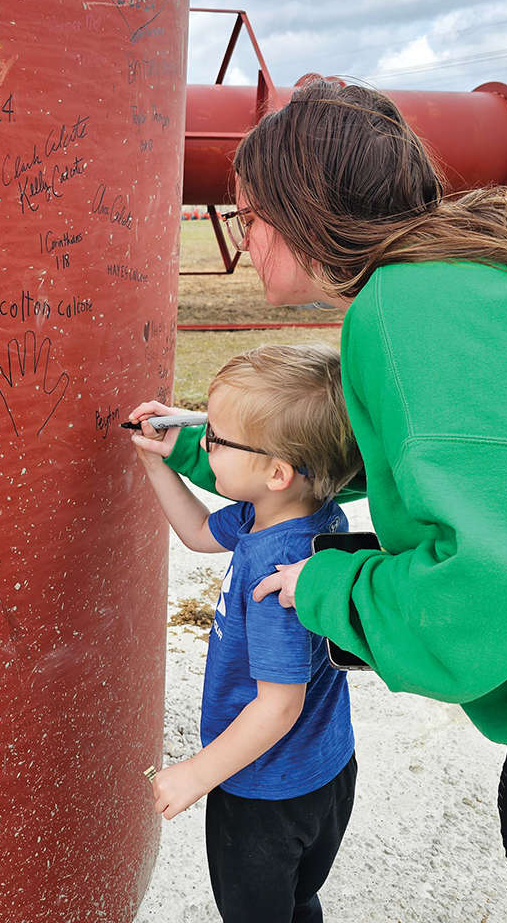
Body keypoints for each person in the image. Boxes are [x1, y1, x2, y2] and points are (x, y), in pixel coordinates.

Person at [150, 76, 507, 923]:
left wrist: (332, 589)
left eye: (248, 217)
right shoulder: (496, 271)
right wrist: (190, 442)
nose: (243, 243)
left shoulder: (404, 308)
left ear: (300, 211)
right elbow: (453, 459)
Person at [128, 343, 365, 923]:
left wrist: (196, 773)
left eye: (215, 437)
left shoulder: (273, 576)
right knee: (296, 901)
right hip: (328, 768)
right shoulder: (300, 515)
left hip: (264, 789)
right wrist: (157, 463)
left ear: (278, 471)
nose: (202, 444)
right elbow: (197, 533)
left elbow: (279, 706)